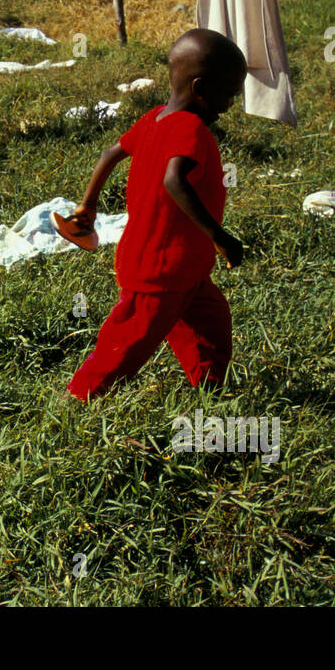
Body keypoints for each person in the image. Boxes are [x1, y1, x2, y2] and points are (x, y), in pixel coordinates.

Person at [66, 28, 248, 401]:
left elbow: (109, 154)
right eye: (228, 94)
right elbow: (174, 181)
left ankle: (210, 386)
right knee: (127, 343)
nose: (229, 105)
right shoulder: (190, 128)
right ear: (200, 88)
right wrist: (221, 237)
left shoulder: (155, 119)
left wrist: (89, 203)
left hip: (185, 267)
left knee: (210, 325)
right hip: (161, 268)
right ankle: (82, 396)